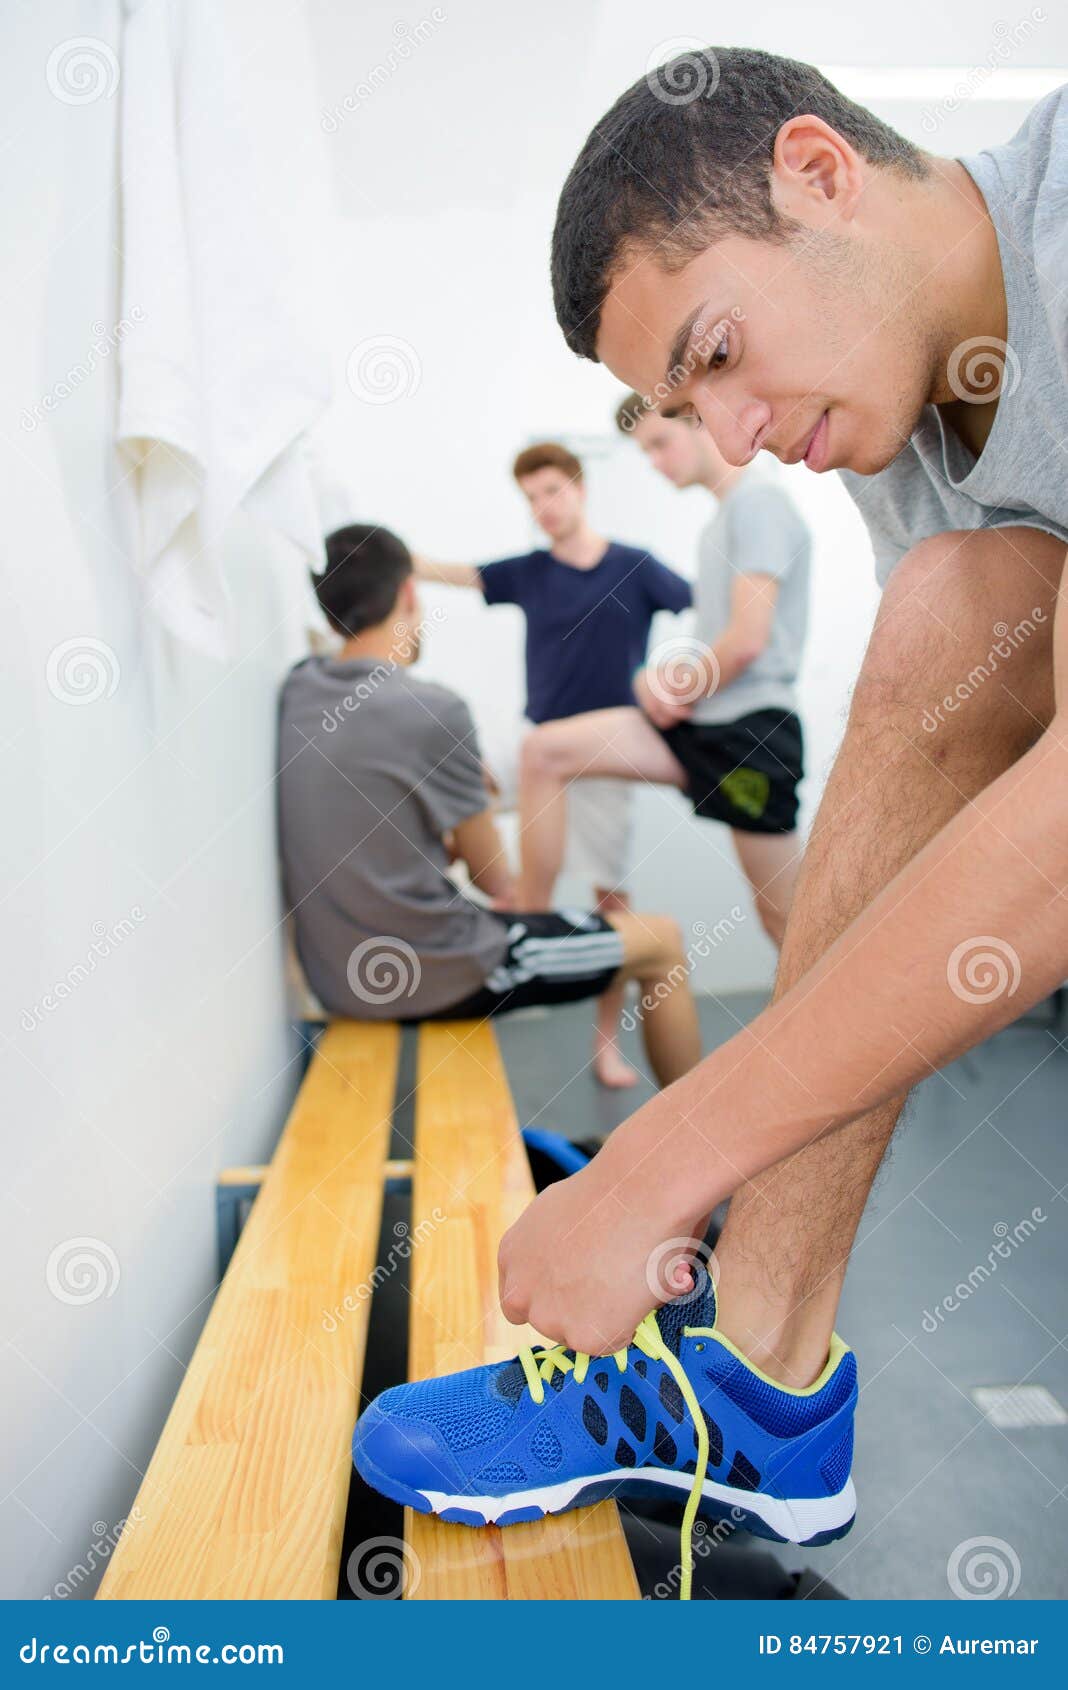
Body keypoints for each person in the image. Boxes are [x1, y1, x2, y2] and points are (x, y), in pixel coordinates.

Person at [353, 50, 1068, 1574]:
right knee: (958, 610)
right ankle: (757, 1376)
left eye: (721, 350)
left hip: (755, 738)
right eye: (691, 401)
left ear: (818, 171)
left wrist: (657, 1164)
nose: (734, 438)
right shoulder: (904, 430)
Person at [277, 523, 702, 1092]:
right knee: (662, 942)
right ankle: (708, 1156)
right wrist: (472, 807)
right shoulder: (435, 710)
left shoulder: (298, 689)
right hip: (443, 970)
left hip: (336, 979)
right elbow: (495, 880)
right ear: (408, 594)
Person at [414, 440, 692, 1087]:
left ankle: (606, 1046)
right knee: (462, 785)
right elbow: (455, 572)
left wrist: (679, 682)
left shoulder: (636, 566)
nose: (543, 507)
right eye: (531, 498)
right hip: (536, 745)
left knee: (612, 903)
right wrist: (395, 562)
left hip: (605, 755)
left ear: (579, 488)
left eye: (552, 492)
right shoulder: (530, 572)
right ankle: (501, 923)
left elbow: (700, 607)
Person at [517, 392, 811, 948]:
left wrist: (669, 686)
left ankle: (841, 1030)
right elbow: (719, 639)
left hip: (750, 736)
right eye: (644, 451)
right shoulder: (721, 519)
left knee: (785, 920)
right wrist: (657, 682)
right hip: (700, 725)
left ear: (701, 421)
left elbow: (748, 641)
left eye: (659, 444)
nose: (654, 462)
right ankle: (527, 928)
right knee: (542, 752)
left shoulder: (759, 503)